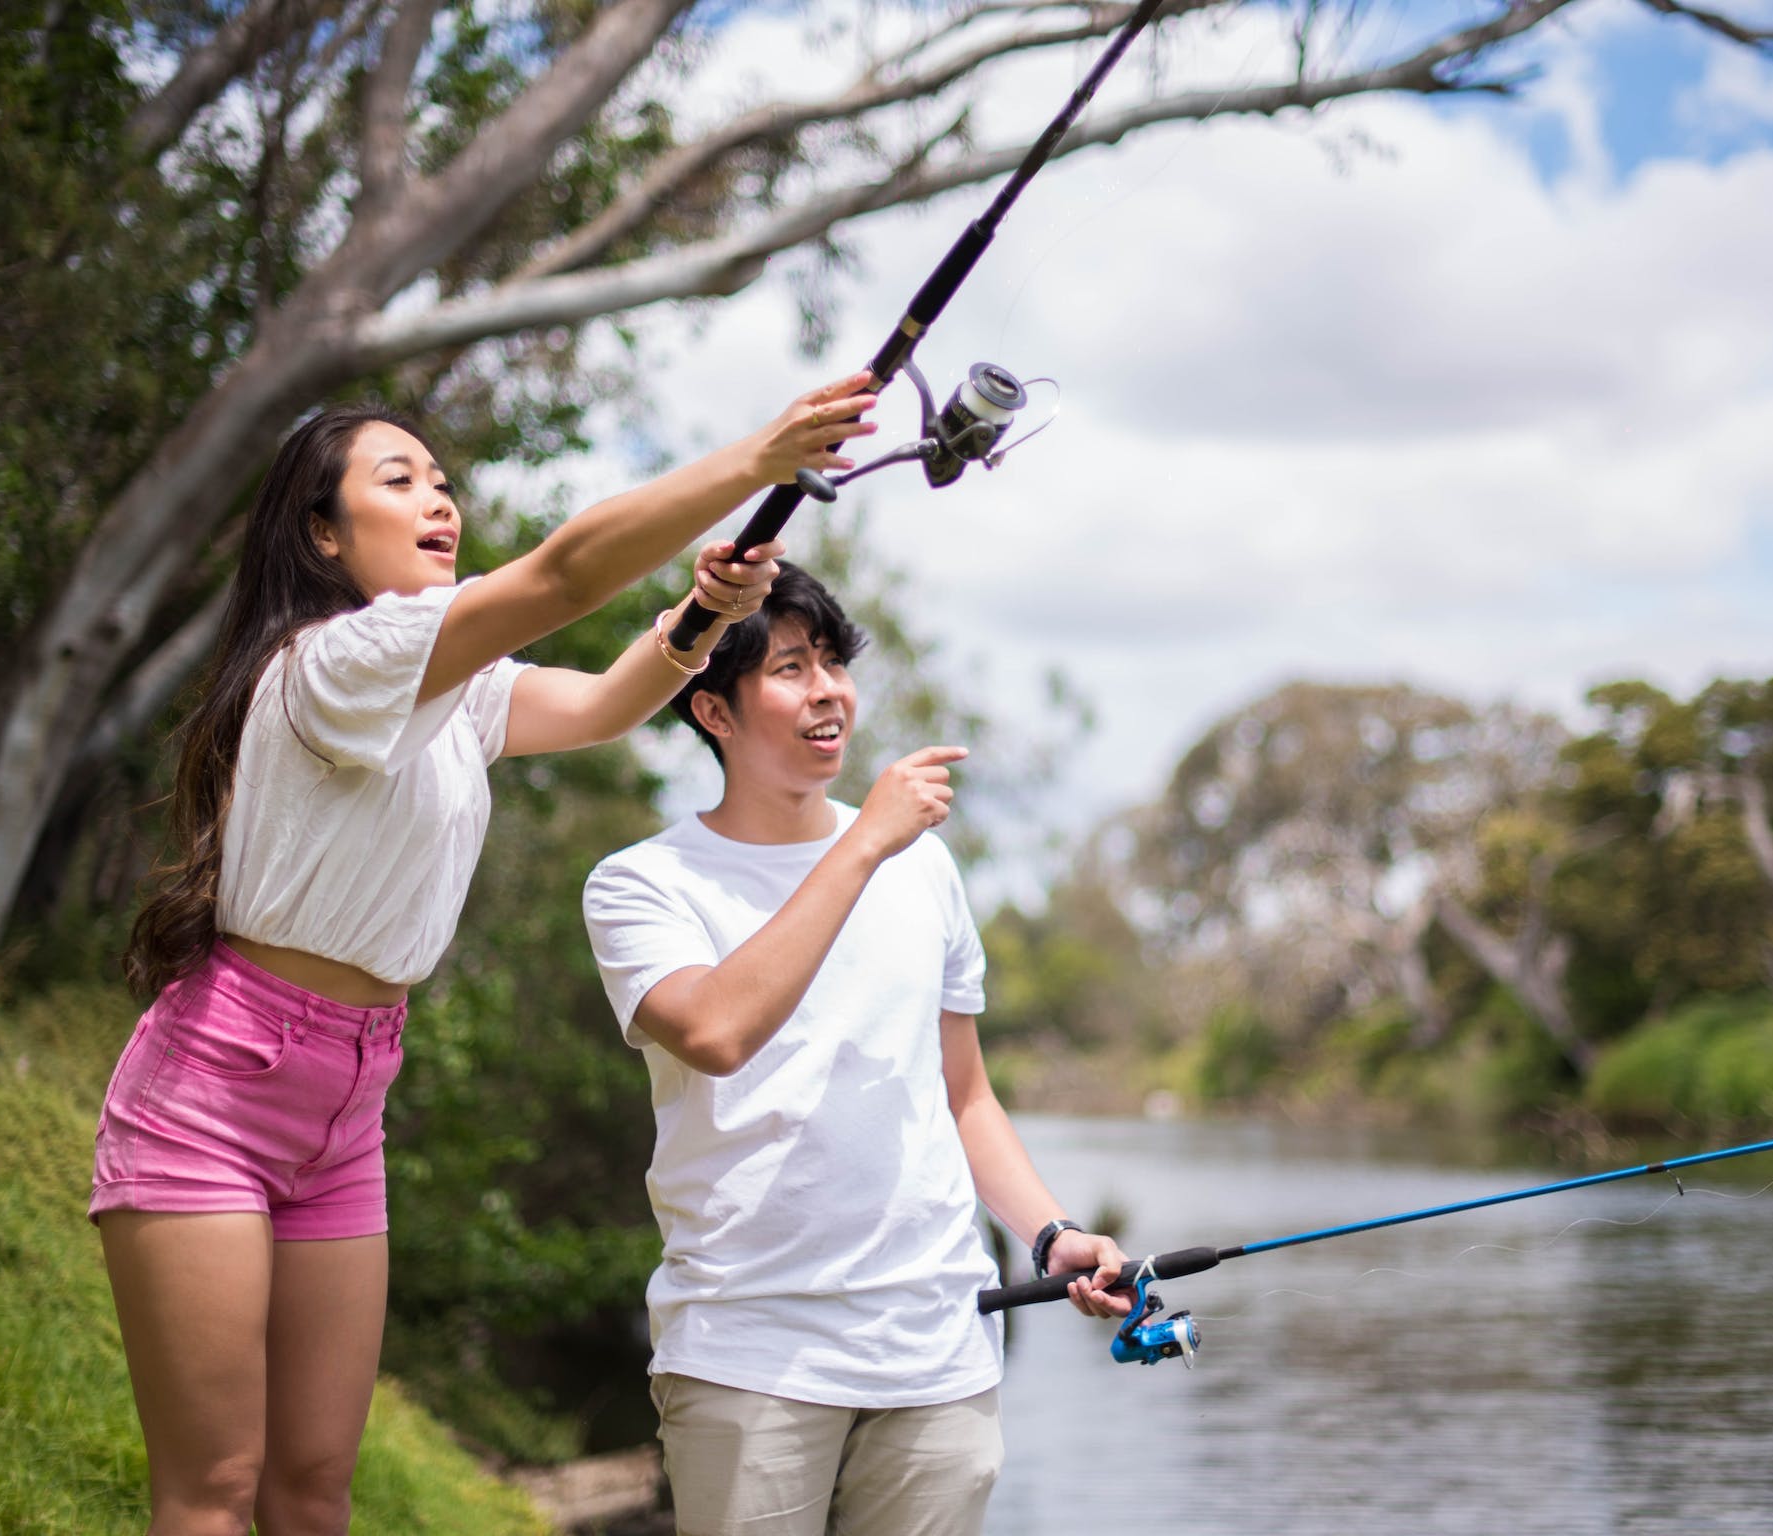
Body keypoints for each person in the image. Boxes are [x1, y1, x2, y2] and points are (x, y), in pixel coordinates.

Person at [91, 371, 877, 1536]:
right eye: (398, 481)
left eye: (444, 483)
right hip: (217, 1088)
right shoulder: (340, 658)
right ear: (320, 532)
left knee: (311, 1492)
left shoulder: (450, 684)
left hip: (349, 1098)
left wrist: (700, 619)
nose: (439, 500)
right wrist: (755, 458)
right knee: (210, 1491)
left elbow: (604, 706)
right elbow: (561, 577)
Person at [581, 563, 1132, 1536]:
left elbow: (964, 1096)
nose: (827, 689)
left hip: (937, 1351)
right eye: (790, 667)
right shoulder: (645, 885)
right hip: (745, 1349)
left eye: (831, 661)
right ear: (713, 709)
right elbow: (715, 1031)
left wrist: (1052, 1238)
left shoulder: (920, 866)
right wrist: (863, 844)